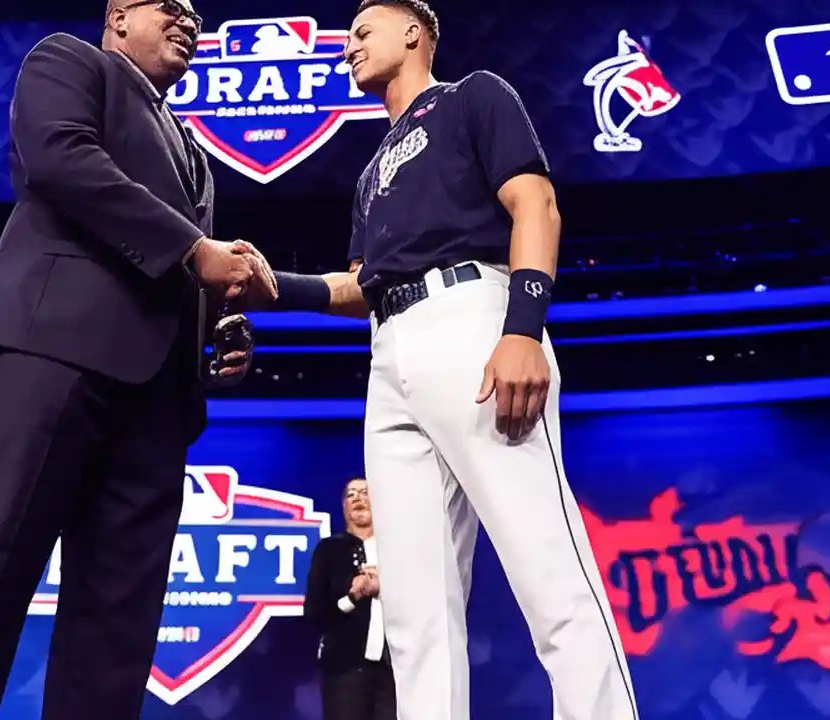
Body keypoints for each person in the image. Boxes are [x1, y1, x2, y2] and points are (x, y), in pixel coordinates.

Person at [238, 1, 640, 718]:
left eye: (363, 31)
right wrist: (275, 286)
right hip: (390, 348)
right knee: (414, 607)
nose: (349, 46)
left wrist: (522, 328)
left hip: (473, 319)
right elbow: (361, 287)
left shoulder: (473, 96)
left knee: (549, 570)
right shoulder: (370, 172)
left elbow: (536, 205)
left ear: (413, 33)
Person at [0, 1, 276, 719]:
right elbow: (62, 159)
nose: (189, 18)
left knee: (117, 627)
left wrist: (220, 322)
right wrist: (194, 249)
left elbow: (180, 269)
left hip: (156, 399)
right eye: (169, 5)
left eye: (197, 13)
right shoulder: (68, 60)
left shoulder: (192, 150)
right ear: (118, 16)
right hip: (49, 354)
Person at [304, 477, 396, 720]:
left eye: (365, 492)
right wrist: (352, 597)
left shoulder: (397, 550)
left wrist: (383, 589)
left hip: (395, 669)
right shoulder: (329, 551)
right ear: (344, 507)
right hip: (346, 670)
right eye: (351, 495)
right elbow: (315, 614)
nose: (357, 498)